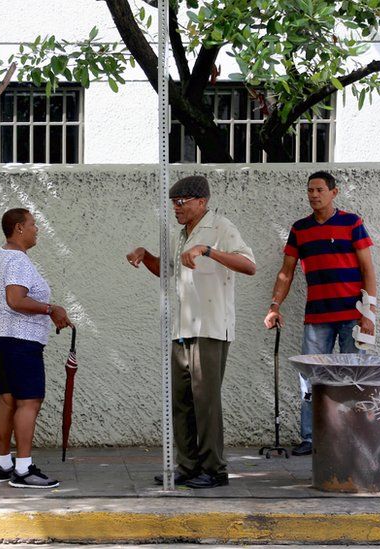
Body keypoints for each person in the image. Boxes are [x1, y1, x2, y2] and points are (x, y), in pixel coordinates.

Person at [126, 175, 256, 489]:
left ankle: (214, 469)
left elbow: (249, 265)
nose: (176, 208)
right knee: (181, 400)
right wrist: (145, 256)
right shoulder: (179, 234)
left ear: (201, 201)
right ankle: (187, 466)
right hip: (182, 327)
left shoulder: (221, 228)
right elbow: (167, 271)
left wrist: (208, 251)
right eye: (174, 203)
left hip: (210, 327)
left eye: (181, 202)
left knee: (205, 400)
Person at [263, 171, 377, 457]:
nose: (314, 195)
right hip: (316, 317)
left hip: (353, 315)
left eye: (319, 190)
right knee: (311, 378)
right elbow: (286, 273)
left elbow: (368, 269)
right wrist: (274, 306)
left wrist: (369, 313)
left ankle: (355, 437)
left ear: (333, 193)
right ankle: (311, 438)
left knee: (354, 377)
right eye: (310, 190)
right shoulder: (300, 229)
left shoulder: (352, 223)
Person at [0, 208, 73, 488]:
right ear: (19, 228)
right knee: (29, 401)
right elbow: (15, 299)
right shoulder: (19, 260)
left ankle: (3, 464)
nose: (38, 229)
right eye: (34, 224)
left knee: (7, 399)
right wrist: (51, 309)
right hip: (19, 340)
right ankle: (23, 469)